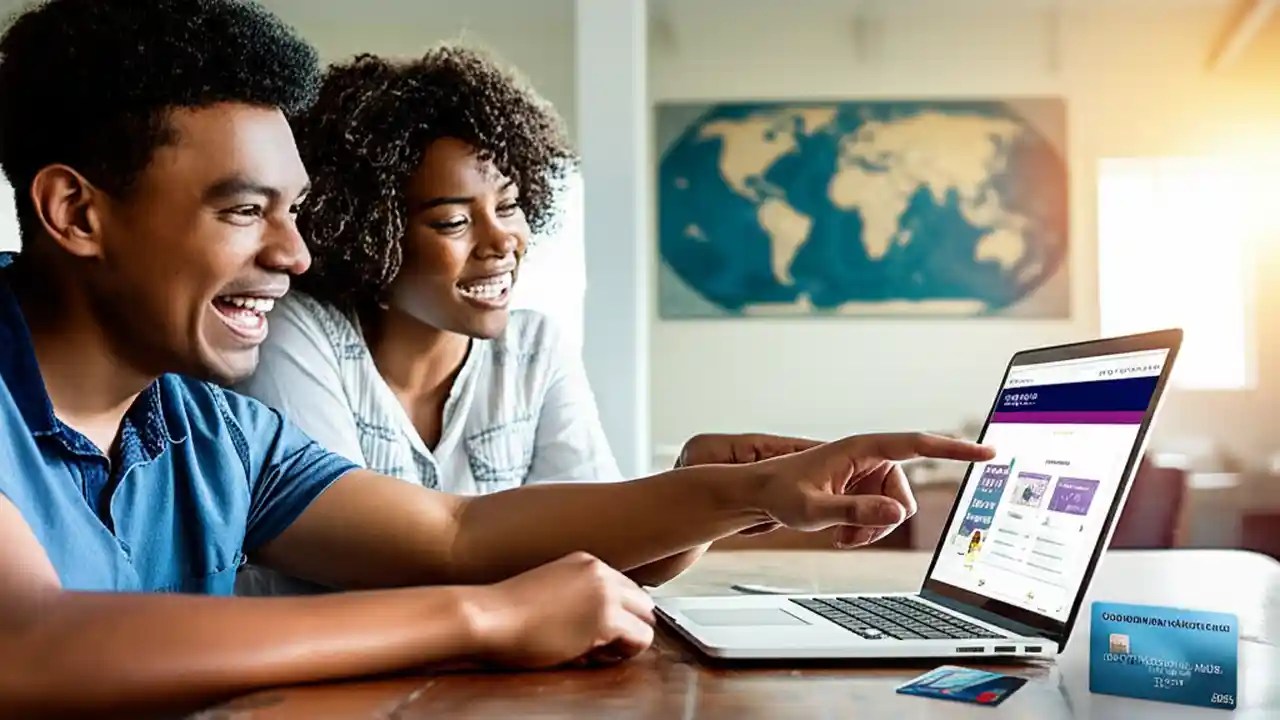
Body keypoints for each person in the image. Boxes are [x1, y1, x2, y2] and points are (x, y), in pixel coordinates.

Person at [0, 1, 995, 717]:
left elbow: (455, 532)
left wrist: (753, 490)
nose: (295, 255)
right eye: (244, 210)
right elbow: (25, 646)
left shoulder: (208, 424)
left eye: (293, 211)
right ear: (76, 212)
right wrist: (482, 619)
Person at [235, 47, 615, 501]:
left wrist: (694, 481)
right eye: (454, 222)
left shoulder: (536, 351)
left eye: (509, 206)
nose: (501, 242)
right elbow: (348, 550)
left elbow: (602, 531)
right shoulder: (297, 334)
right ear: (371, 236)